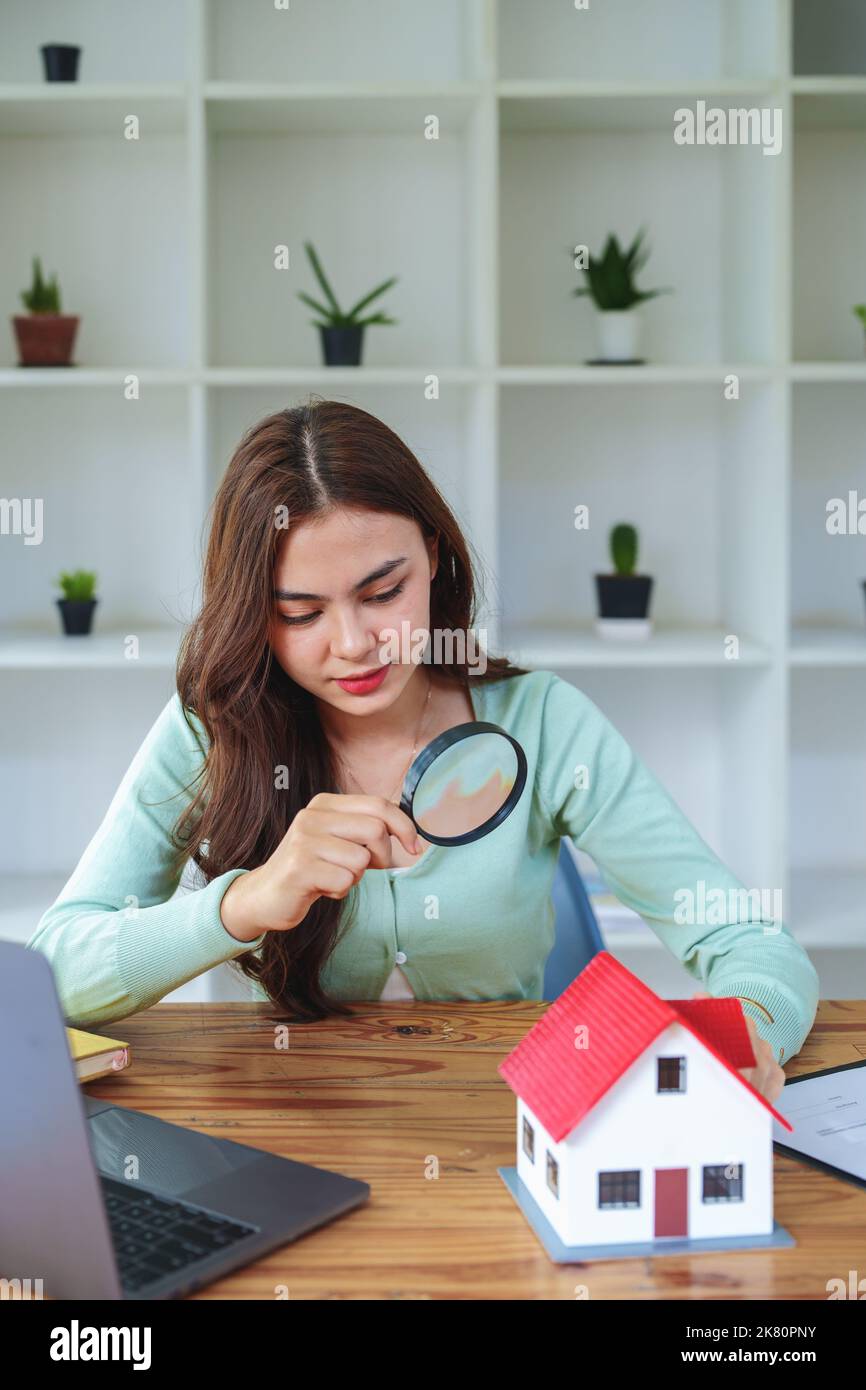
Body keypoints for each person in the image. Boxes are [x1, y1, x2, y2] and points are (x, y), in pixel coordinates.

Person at [28, 399, 818, 1104]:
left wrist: (750, 1028)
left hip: (495, 1131)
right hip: (283, 1132)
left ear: (434, 556)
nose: (353, 644)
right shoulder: (212, 729)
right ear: (254, 614)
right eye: (301, 613)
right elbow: (53, 969)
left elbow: (746, 940)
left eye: (382, 593)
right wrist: (242, 905)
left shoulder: (542, 721)